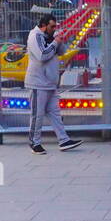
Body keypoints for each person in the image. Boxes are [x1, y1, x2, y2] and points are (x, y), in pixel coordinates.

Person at [25, 15, 82, 154]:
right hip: (38, 83)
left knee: (55, 113)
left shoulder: (49, 37)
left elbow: (62, 52)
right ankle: (34, 142)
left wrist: (59, 41)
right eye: (52, 26)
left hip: (50, 83)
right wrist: (55, 42)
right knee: (37, 115)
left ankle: (63, 140)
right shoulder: (35, 36)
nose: (54, 29)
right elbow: (42, 55)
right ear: (44, 25)